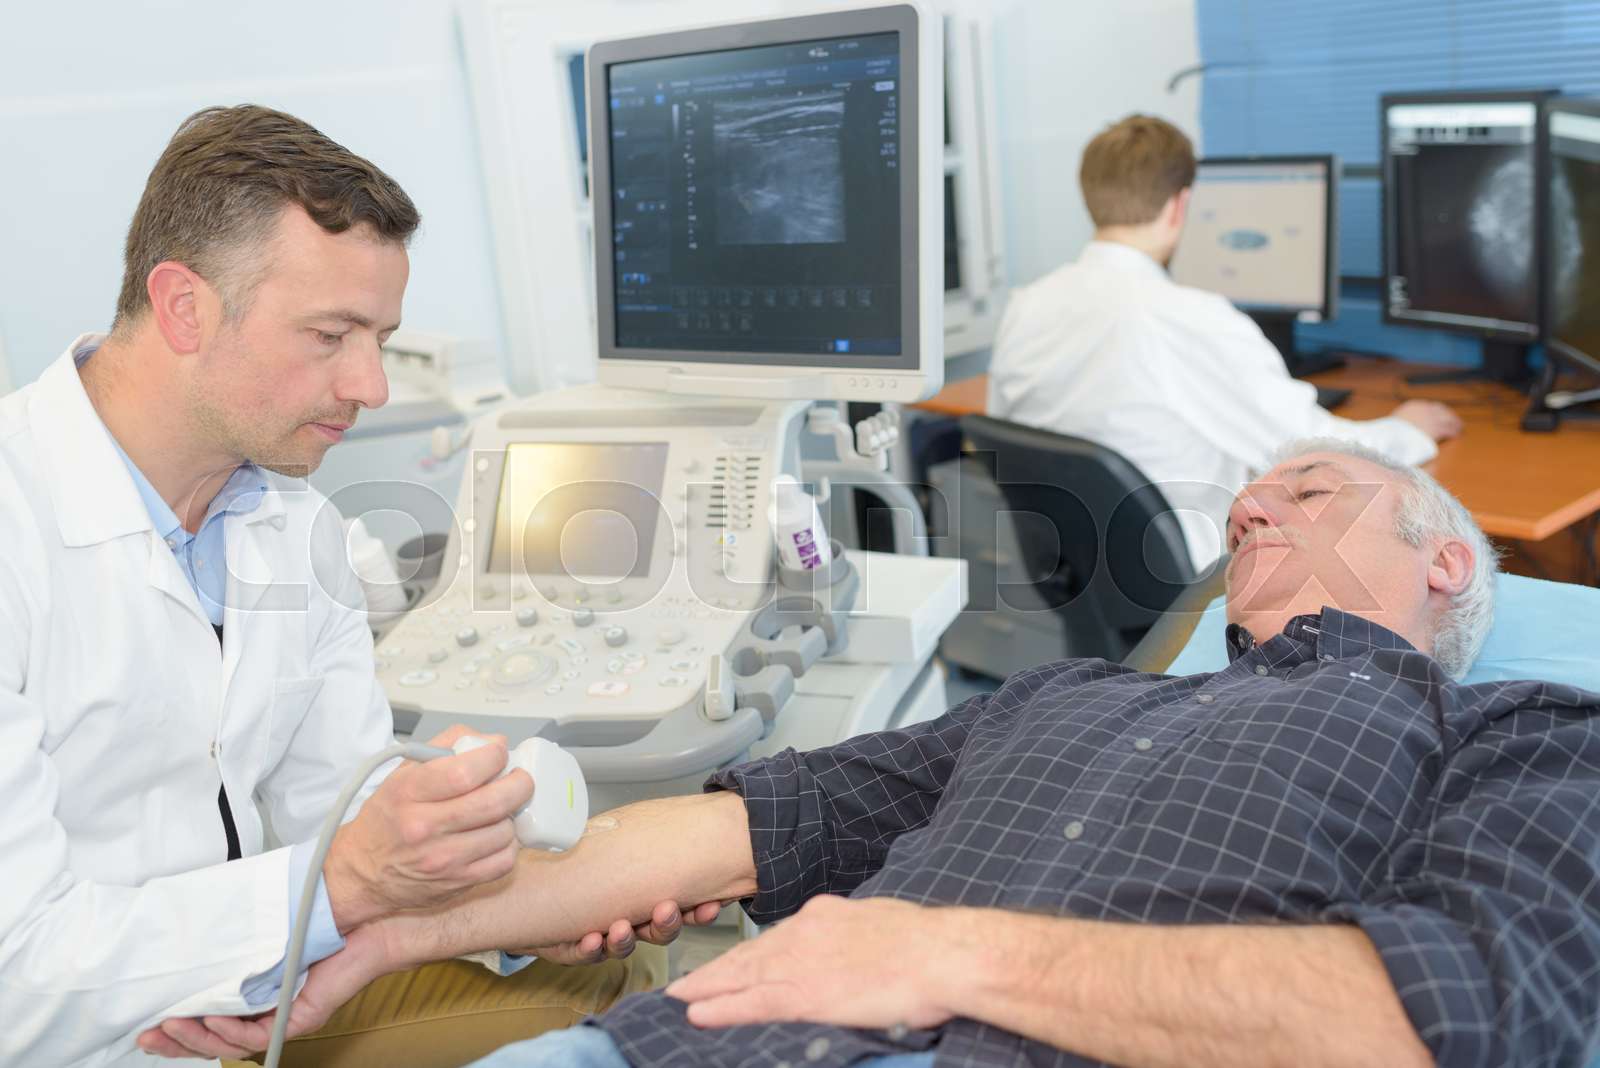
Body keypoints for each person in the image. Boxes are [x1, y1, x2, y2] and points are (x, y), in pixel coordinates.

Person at [165, 439, 1600, 1067]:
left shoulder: (1511, 733)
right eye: (1245, 499)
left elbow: (1451, 1017)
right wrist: (360, 928)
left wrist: (941, 955)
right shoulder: (1065, 695)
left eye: (1313, 485)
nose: (1253, 508)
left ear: (1448, 556)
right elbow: (720, 832)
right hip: (678, 1052)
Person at [0, 105, 700, 1068]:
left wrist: (460, 849)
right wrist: (342, 884)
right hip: (78, 1037)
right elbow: (17, 981)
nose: (370, 385)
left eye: (382, 336)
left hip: (259, 989)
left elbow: (337, 801)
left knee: (616, 993)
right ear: (184, 307)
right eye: (332, 335)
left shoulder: (294, 523)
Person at [986, 114, 1463, 572]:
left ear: (1091, 199)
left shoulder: (1025, 306)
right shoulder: (1190, 318)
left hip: (1074, 567)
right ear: (1180, 205)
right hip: (1185, 579)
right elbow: (1314, 452)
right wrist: (1408, 430)